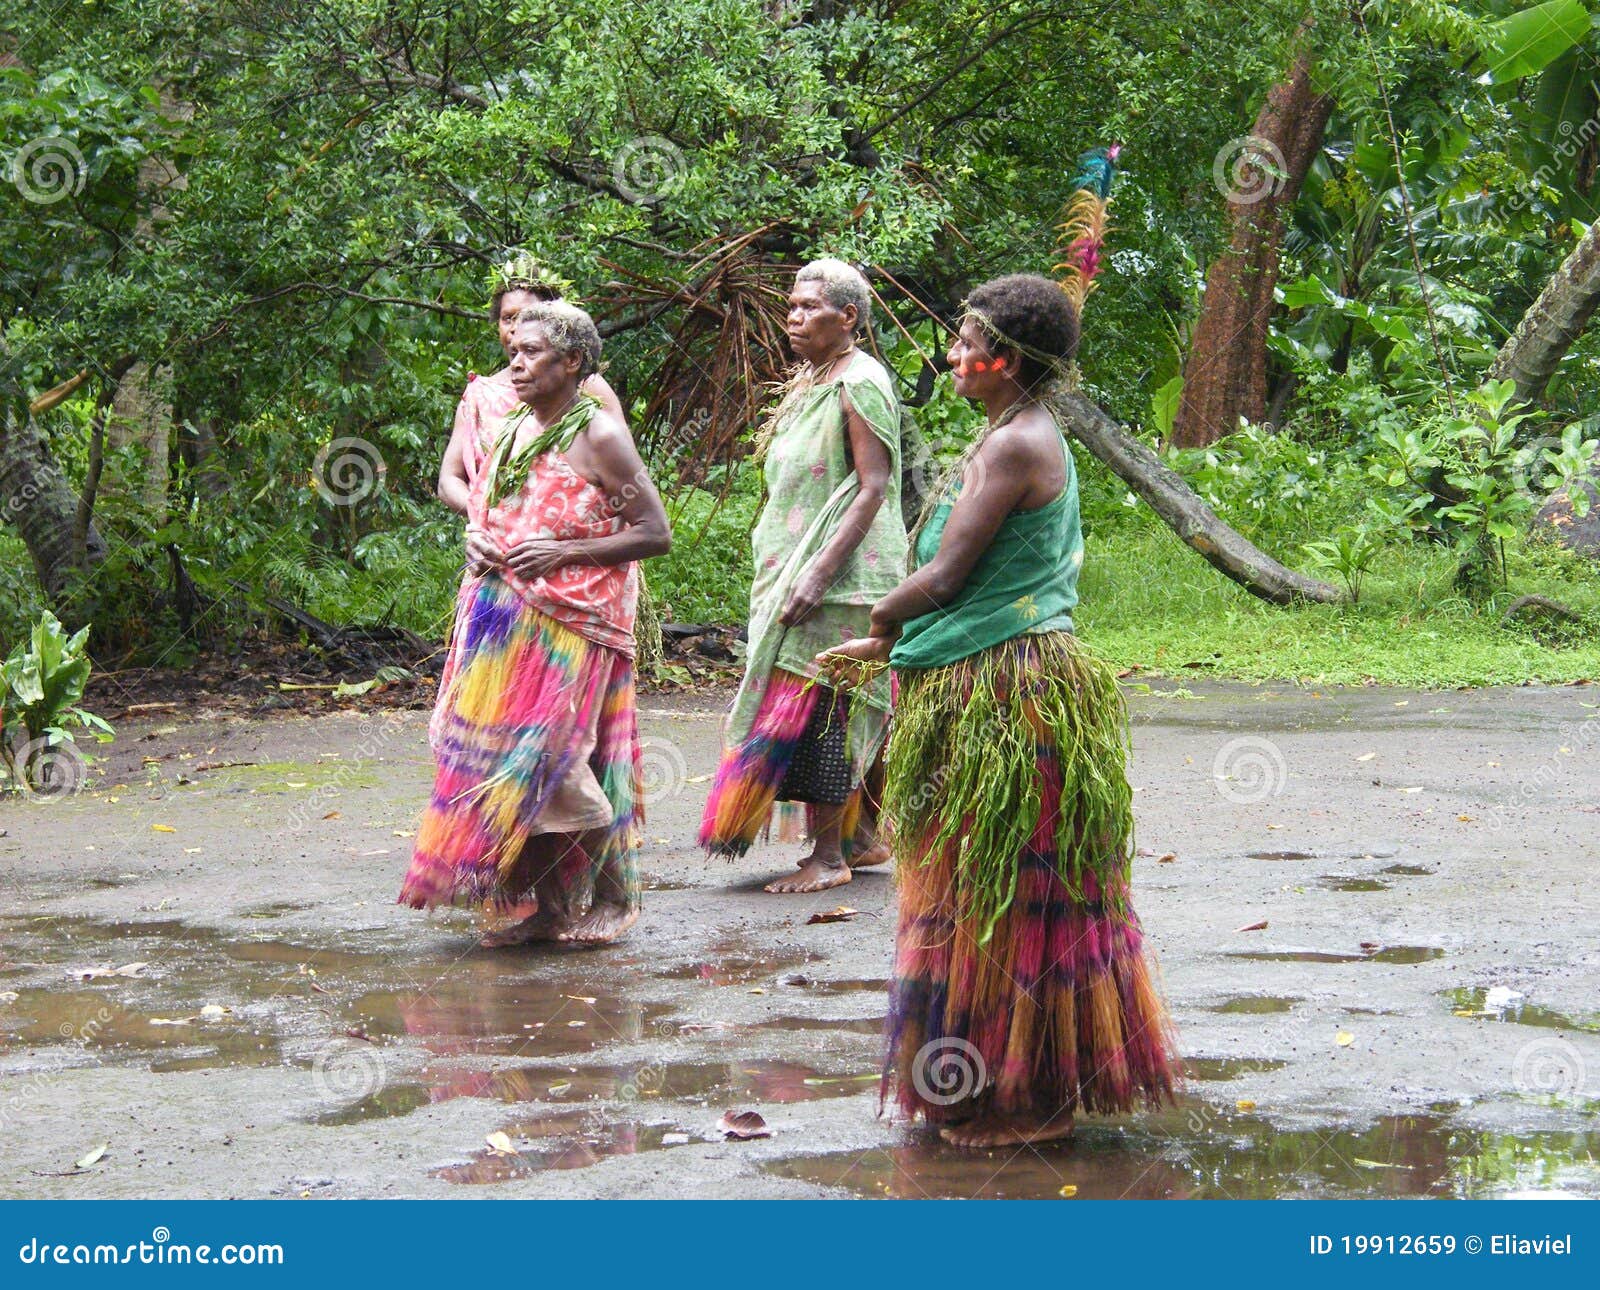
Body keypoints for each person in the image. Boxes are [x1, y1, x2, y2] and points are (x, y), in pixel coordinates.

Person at [818, 274, 1178, 1146]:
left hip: (1012, 694)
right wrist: (892, 648)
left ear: (1004, 360)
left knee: (1007, 896)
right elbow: (964, 585)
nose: (950, 356)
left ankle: (1030, 1098)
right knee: (971, 890)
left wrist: (877, 618)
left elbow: (945, 580)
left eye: (965, 342)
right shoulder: (1007, 430)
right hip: (976, 678)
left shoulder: (1020, 443)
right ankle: (987, 1082)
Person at [400, 301, 671, 946]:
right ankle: (548, 907)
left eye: (532, 353)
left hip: (569, 623)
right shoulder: (515, 423)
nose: (515, 364)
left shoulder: (599, 434)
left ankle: (613, 894)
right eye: (513, 350)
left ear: (573, 362)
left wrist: (564, 553)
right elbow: (486, 506)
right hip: (499, 613)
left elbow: (654, 533)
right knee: (490, 757)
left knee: (554, 762)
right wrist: (478, 541)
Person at [699, 258, 906, 893]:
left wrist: (817, 574)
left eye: (810, 306)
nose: (794, 315)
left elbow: (873, 486)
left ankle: (828, 856)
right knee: (827, 700)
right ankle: (864, 837)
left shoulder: (861, 381)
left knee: (828, 707)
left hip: (845, 575)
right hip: (791, 565)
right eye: (791, 304)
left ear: (848, 318)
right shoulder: (810, 378)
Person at [437, 252, 626, 516]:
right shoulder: (480, 396)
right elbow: (448, 481)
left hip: (584, 543)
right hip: (502, 549)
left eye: (526, 316)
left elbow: (627, 473)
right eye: (507, 318)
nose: (515, 327)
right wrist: (488, 517)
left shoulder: (586, 385)